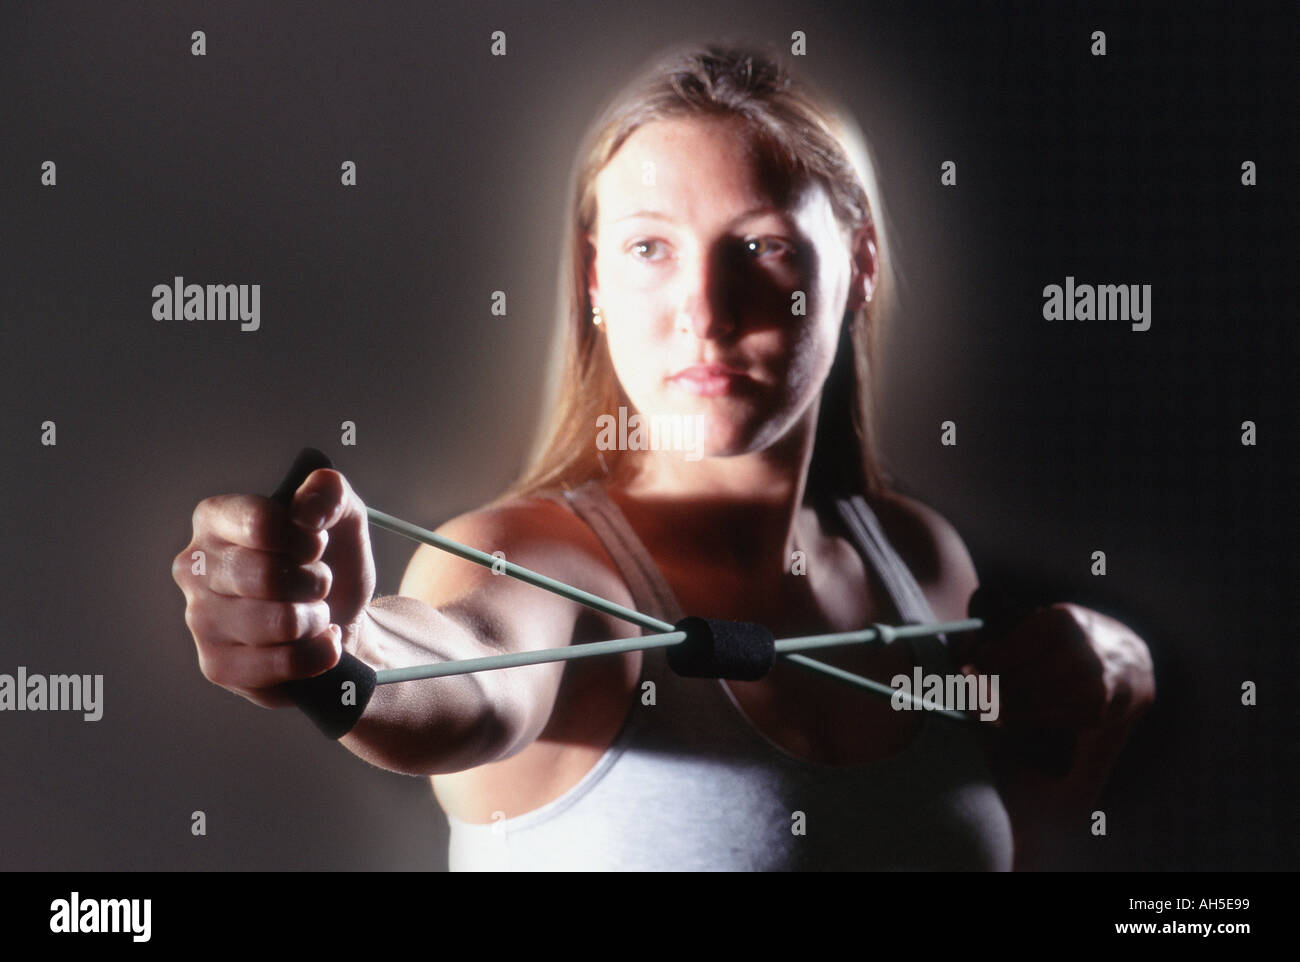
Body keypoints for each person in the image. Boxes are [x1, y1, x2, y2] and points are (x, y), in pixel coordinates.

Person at [172, 41, 1154, 870]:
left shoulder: (918, 556)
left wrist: (1120, 672)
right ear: (594, 280)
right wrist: (331, 651)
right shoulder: (531, 562)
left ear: (857, 266)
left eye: (761, 247)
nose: (705, 314)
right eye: (650, 249)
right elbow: (458, 668)